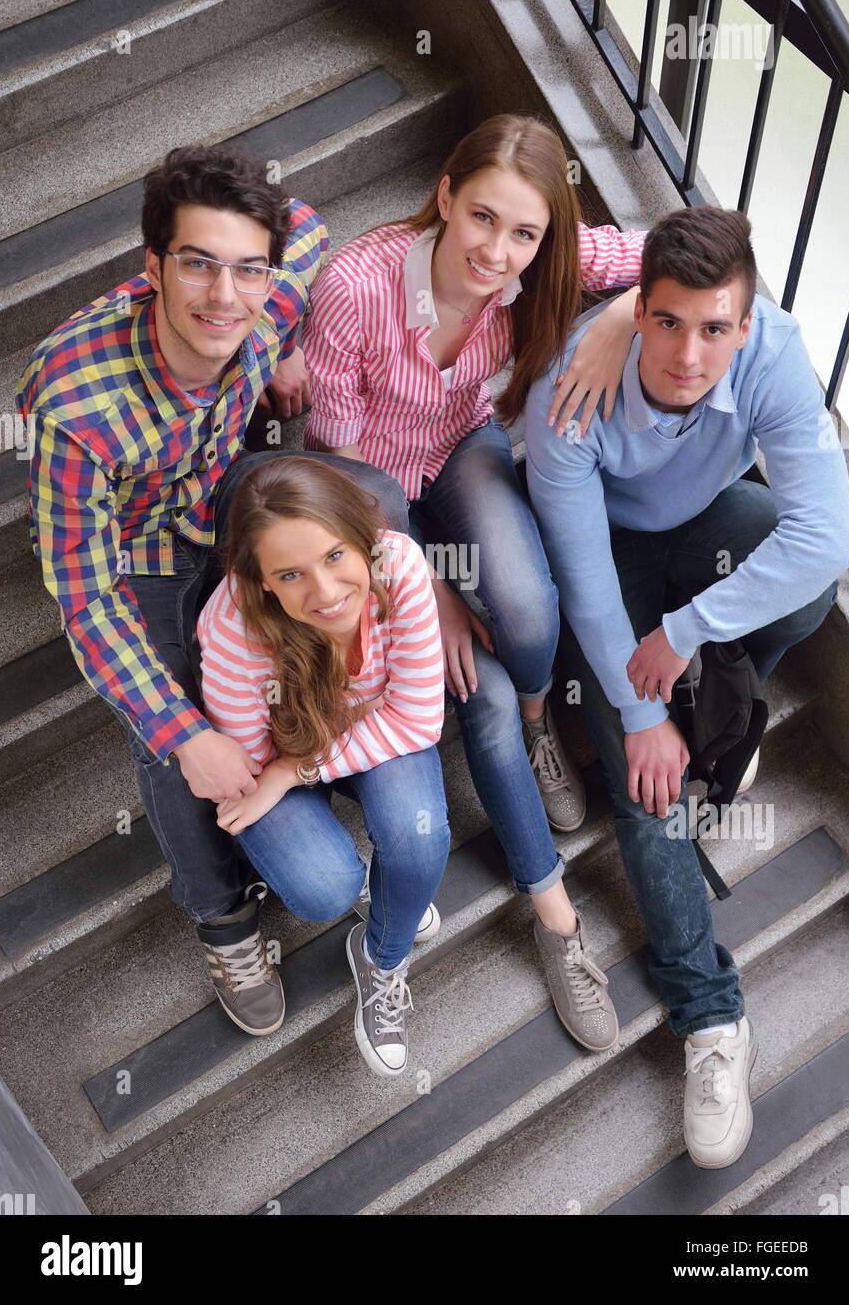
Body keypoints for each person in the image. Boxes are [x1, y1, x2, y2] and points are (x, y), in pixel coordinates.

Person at [15, 143, 409, 1038]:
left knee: (370, 504)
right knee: (169, 737)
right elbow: (83, 595)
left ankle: (360, 711)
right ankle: (224, 919)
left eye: (246, 270)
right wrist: (184, 731)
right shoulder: (75, 408)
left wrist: (287, 355)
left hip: (221, 492)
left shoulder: (267, 303)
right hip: (137, 550)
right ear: (152, 267)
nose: (225, 297)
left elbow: (303, 224)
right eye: (197, 264)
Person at [301, 113, 646, 1049]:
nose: (498, 251)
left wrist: (616, 316)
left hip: (460, 449)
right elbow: (332, 470)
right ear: (446, 197)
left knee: (530, 614)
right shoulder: (357, 288)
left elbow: (685, 247)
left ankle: (542, 727)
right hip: (363, 496)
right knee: (478, 689)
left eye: (525, 233)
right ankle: (560, 925)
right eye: (483, 218)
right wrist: (428, 586)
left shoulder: (538, 271)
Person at [522, 205, 849, 1167]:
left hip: (708, 523)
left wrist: (685, 633)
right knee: (646, 781)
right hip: (611, 550)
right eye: (664, 322)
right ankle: (711, 1017)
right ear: (639, 309)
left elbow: (828, 539)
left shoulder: (773, 348)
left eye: (714, 329)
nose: (687, 352)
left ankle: (722, 719)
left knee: (800, 581)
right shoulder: (570, 396)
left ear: (746, 326)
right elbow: (582, 582)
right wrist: (637, 714)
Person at [196, 458, 449, 1076]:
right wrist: (284, 771)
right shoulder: (234, 629)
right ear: (262, 583)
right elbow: (254, 761)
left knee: (417, 838)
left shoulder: (400, 566)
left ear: (363, 540)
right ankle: (367, 887)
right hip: (280, 753)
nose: (327, 592)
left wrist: (296, 770)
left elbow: (417, 719)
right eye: (291, 574)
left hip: (361, 735)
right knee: (320, 889)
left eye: (336, 556)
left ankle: (382, 959)